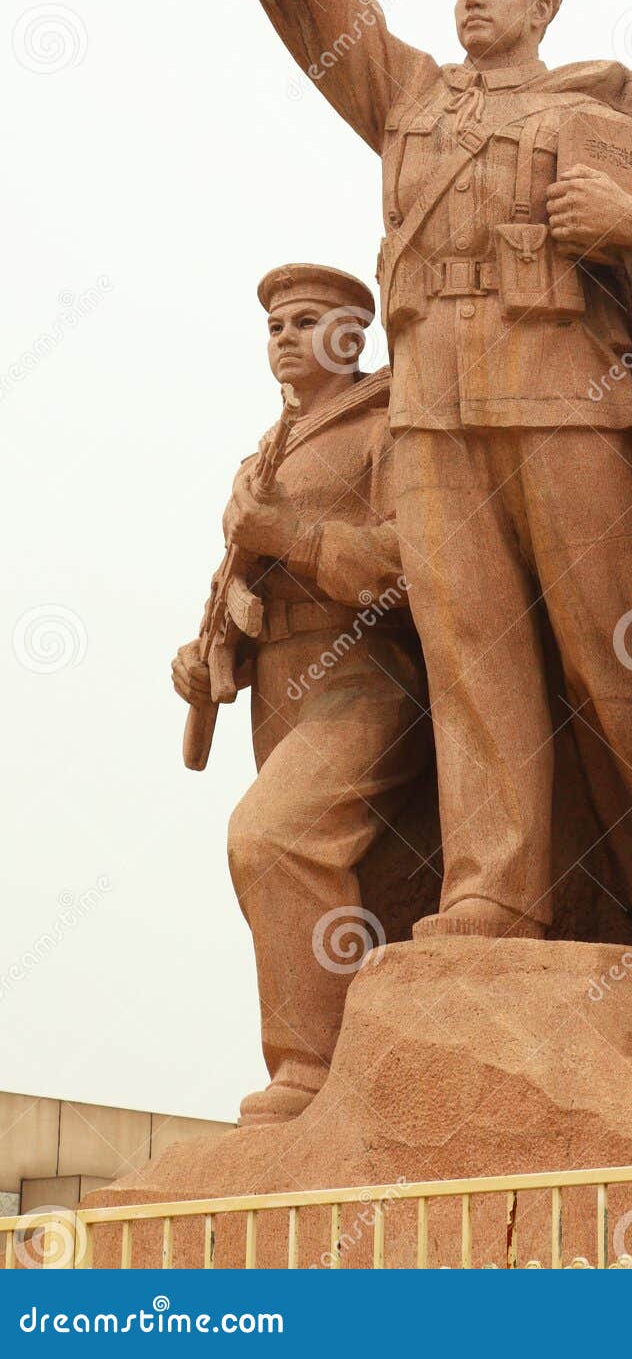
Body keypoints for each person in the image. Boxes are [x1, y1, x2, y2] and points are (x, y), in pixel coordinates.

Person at [199, 0, 632, 937]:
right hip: (434, 412)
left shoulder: (587, 113)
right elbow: (319, 7)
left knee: (616, 659)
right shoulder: (410, 99)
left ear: (541, 7)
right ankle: (494, 890)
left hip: (563, 402)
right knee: (472, 664)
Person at [171, 265, 431, 1125]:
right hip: (280, 690)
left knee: (272, 836)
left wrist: (282, 533)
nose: (284, 335)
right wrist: (211, 655)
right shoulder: (266, 452)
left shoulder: (392, 421)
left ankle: (306, 1069)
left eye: (307, 320)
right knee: (333, 872)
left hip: (367, 675)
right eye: (275, 325)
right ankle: (347, 1071)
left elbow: (412, 561)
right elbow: (238, 587)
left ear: (354, 335)